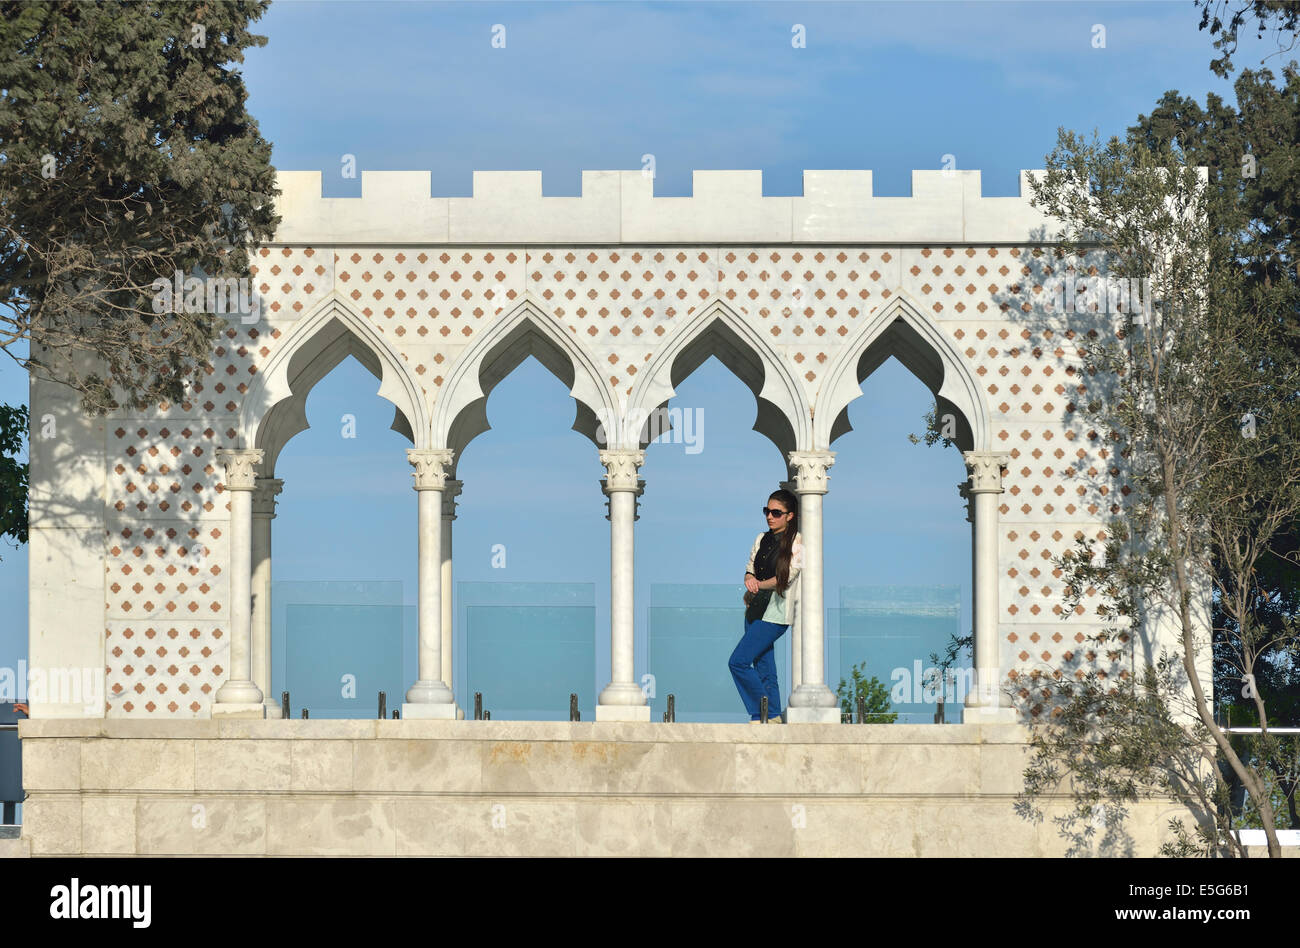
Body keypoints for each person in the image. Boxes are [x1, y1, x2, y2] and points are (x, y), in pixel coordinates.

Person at [731, 488, 802, 723]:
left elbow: (786, 578)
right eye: (767, 511)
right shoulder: (761, 538)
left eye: (776, 512)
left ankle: (762, 710)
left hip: (776, 613)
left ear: (790, 515)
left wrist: (758, 584)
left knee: (738, 661)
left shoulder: (797, 542)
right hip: (753, 611)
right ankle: (771, 717)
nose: (770, 516)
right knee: (765, 668)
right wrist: (749, 578)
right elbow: (750, 567)